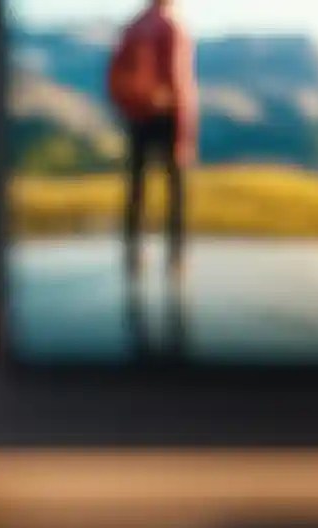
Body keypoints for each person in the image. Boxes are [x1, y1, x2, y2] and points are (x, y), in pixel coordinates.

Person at [107, 0, 198, 358]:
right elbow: (179, 80)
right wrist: (183, 135)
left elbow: (115, 72)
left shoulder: (134, 25)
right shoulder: (172, 25)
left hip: (138, 117)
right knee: (175, 190)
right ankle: (175, 259)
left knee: (137, 188)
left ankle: (132, 256)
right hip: (165, 115)